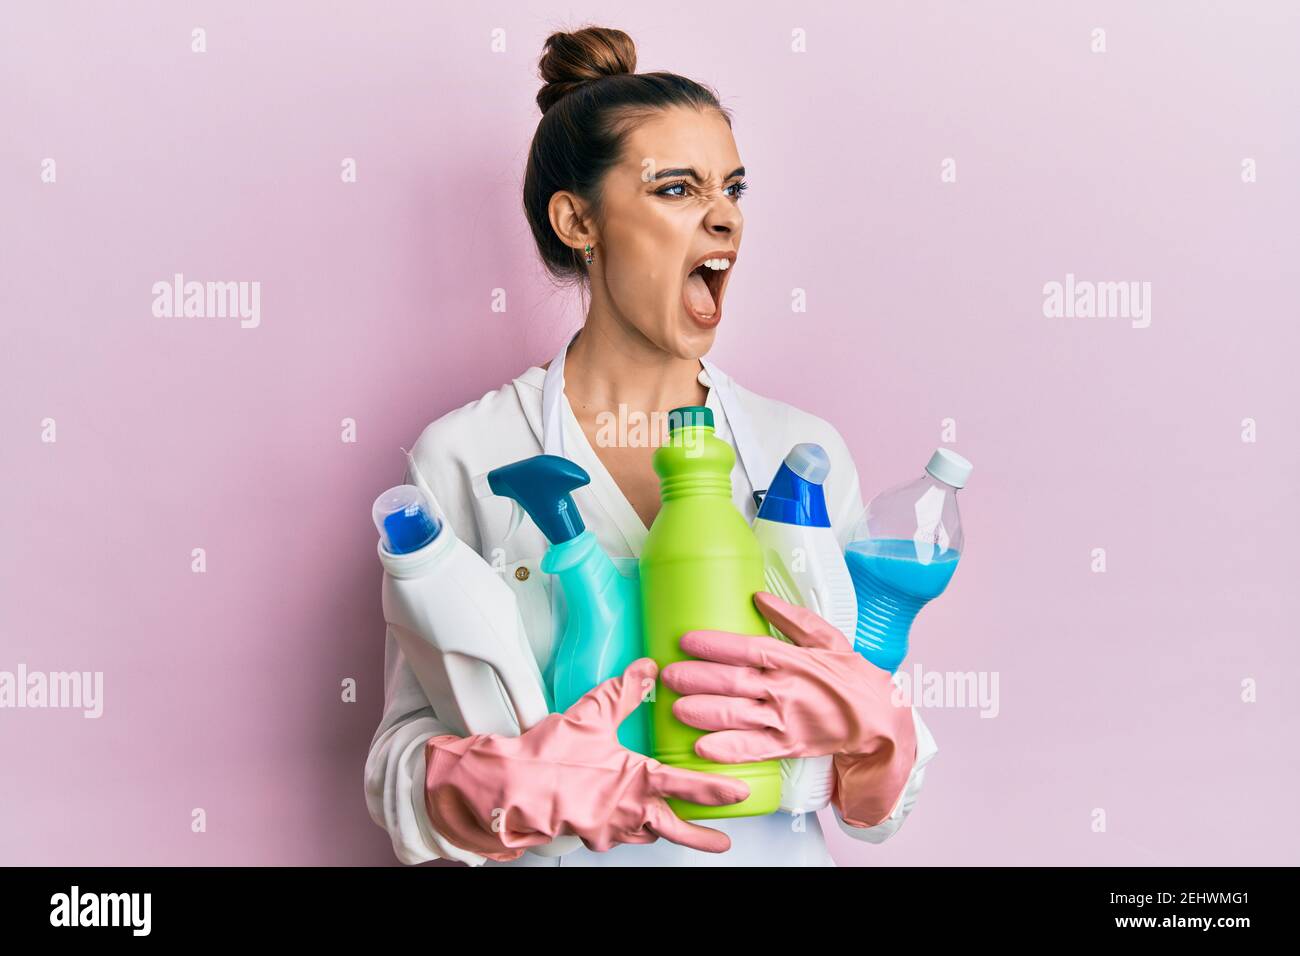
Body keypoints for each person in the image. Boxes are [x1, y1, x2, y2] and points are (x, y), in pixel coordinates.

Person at [364, 26, 938, 867]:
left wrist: (878, 732)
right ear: (578, 221)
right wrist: (504, 784)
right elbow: (395, 762)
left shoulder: (799, 452)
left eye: (734, 188)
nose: (724, 216)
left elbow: (872, 809)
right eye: (676, 189)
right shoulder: (468, 452)